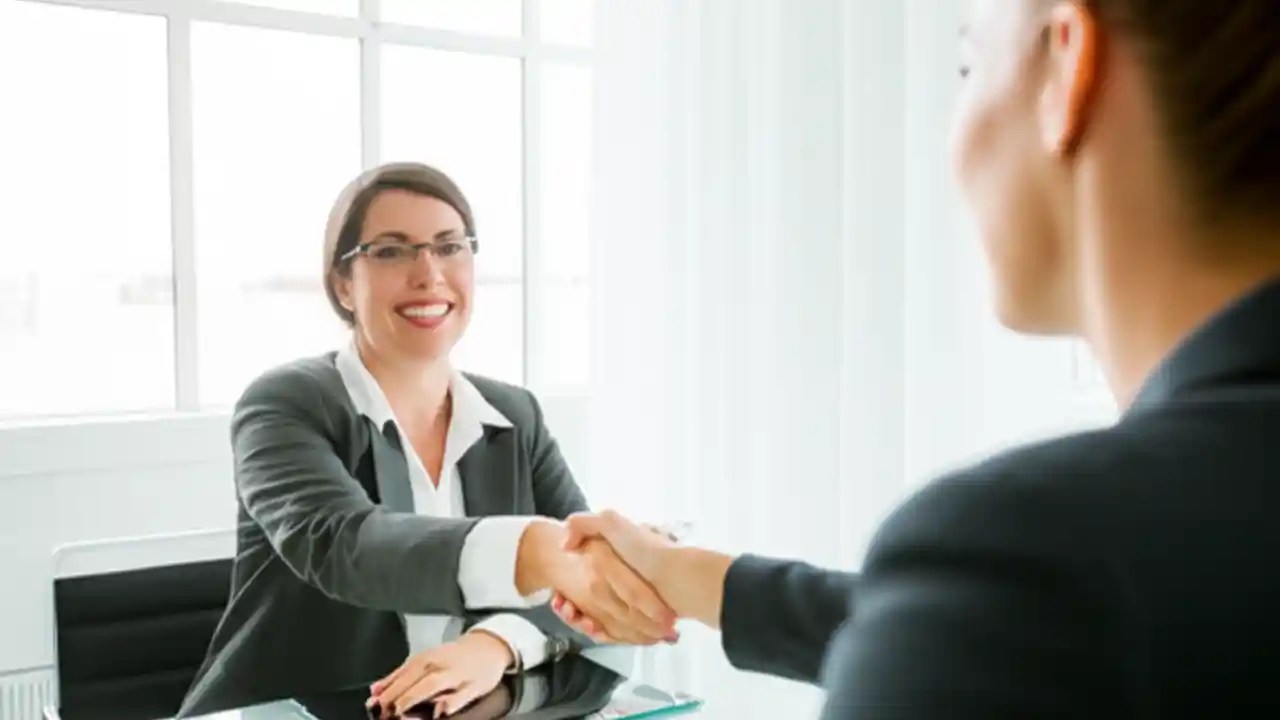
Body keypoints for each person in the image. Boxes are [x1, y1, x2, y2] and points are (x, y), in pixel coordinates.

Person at [554, 0, 1280, 716]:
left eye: (970, 63)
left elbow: (1025, 620)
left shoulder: (1032, 554)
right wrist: (693, 578)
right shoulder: (1083, 578)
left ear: (1066, 62)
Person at [179, 163, 676, 719]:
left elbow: (584, 589)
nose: (429, 273)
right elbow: (347, 547)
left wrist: (495, 645)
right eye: (392, 251)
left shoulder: (515, 416)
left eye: (449, 247)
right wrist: (532, 552)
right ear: (343, 283)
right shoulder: (285, 403)